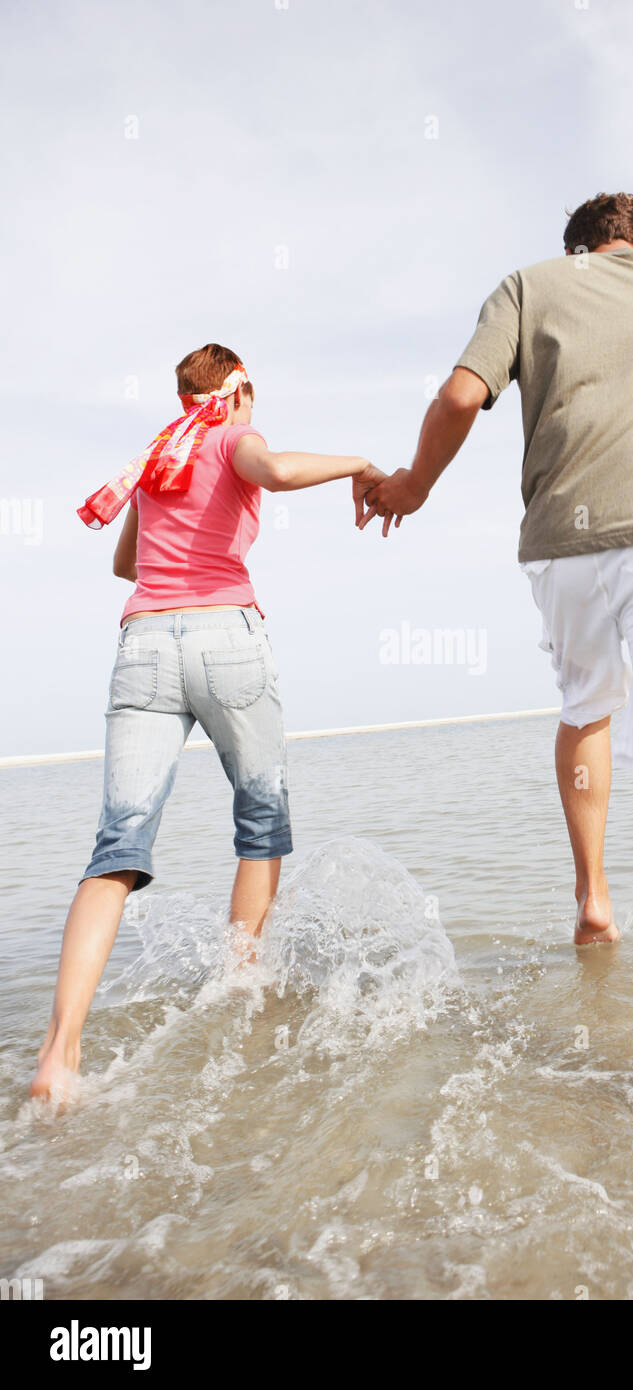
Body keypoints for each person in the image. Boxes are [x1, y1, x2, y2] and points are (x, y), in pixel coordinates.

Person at [358, 193, 633, 1110]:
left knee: (587, 706)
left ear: (577, 248)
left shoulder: (530, 284)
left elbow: (460, 396)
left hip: (566, 547)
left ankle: (594, 900)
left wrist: (413, 488)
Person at [32, 343, 388, 1101]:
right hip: (226, 639)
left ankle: (57, 1060)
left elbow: (127, 565)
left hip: (145, 646)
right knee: (260, 824)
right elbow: (279, 471)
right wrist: (360, 462)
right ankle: (241, 982)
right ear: (240, 391)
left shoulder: (160, 454)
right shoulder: (230, 434)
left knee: (116, 849)